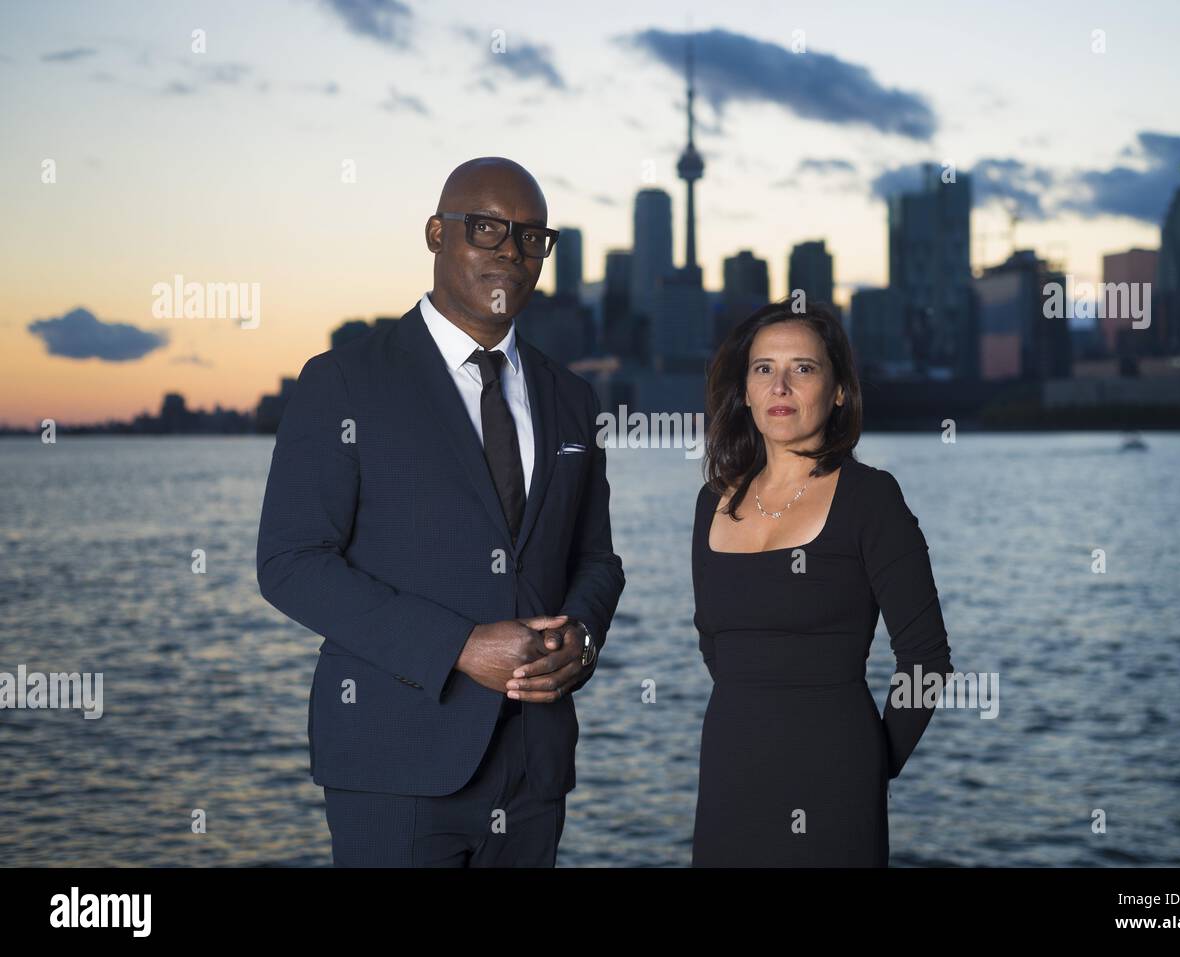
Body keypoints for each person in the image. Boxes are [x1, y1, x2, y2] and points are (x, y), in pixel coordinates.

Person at [256, 156, 624, 866]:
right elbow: (290, 564)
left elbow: (596, 558)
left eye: (530, 237)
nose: (511, 253)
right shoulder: (344, 381)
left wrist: (582, 633)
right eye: (486, 228)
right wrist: (458, 647)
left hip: (534, 767)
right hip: (393, 762)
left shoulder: (571, 397)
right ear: (436, 233)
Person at [690, 297, 952, 866]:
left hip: (836, 779)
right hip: (728, 776)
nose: (780, 385)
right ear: (746, 390)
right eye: (764, 369)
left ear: (837, 391)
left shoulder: (871, 499)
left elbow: (926, 662)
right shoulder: (712, 501)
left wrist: (870, 765)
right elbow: (714, 642)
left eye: (802, 369)